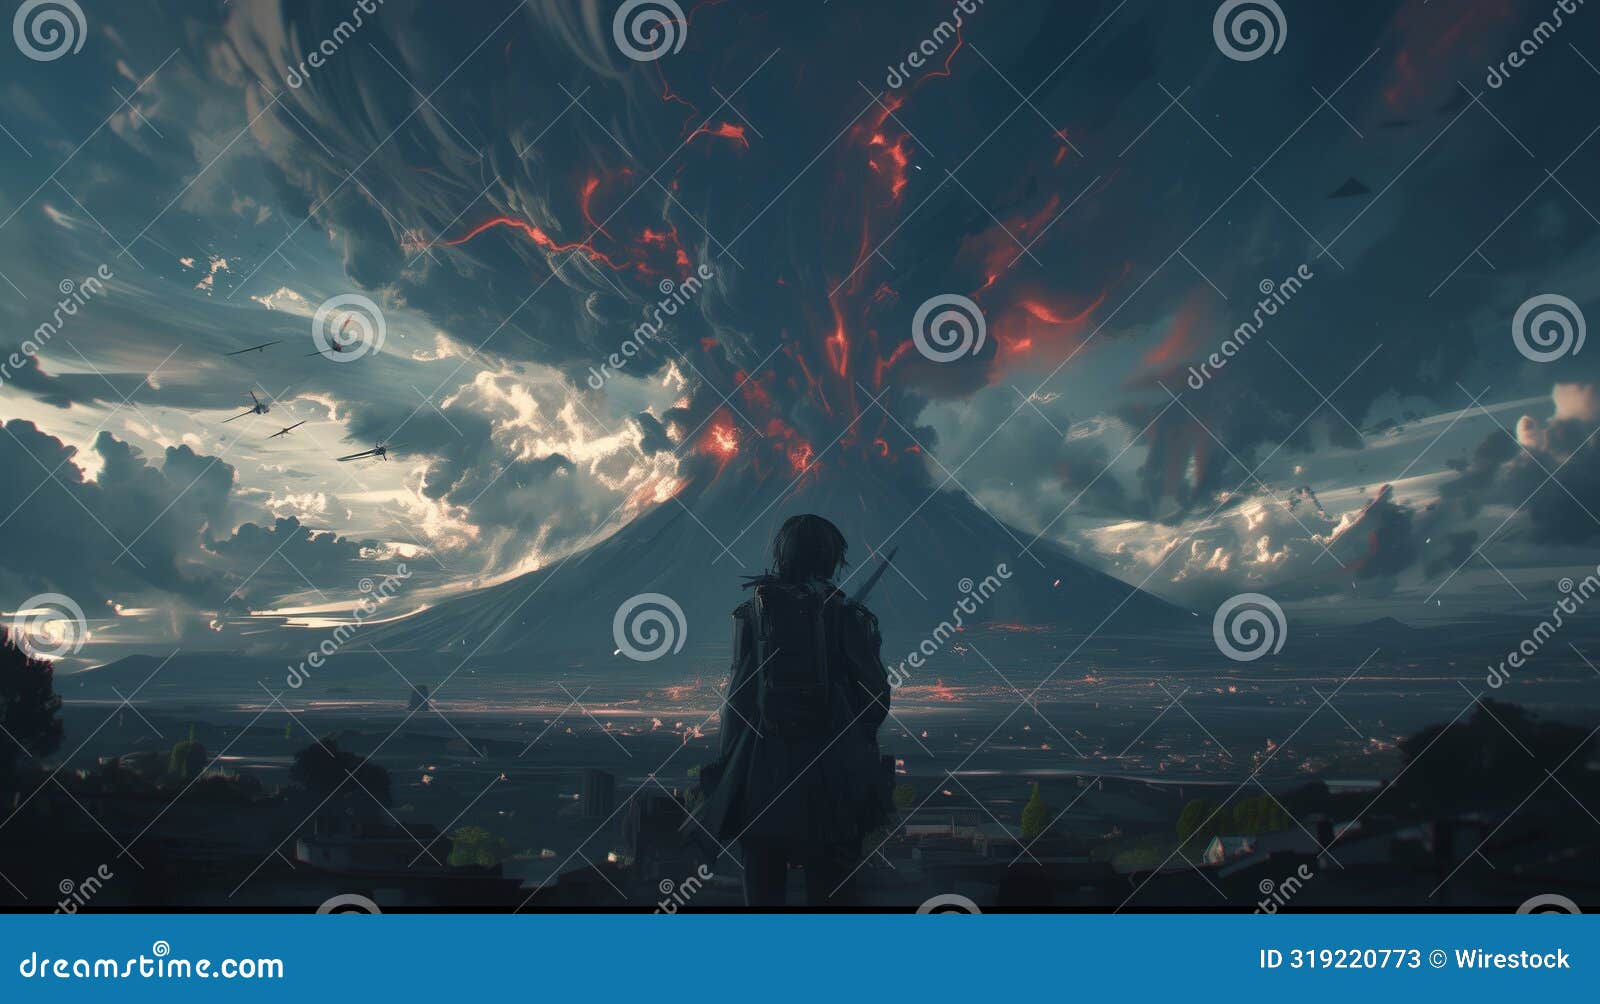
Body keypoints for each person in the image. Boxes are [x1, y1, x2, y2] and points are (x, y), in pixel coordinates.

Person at [696, 514, 892, 907]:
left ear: (782, 554)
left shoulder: (753, 611)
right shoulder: (846, 614)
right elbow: (875, 697)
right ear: (831, 557)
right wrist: (855, 742)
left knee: (763, 893)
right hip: (833, 785)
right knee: (834, 900)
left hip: (761, 780)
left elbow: (737, 698)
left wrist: (730, 768)